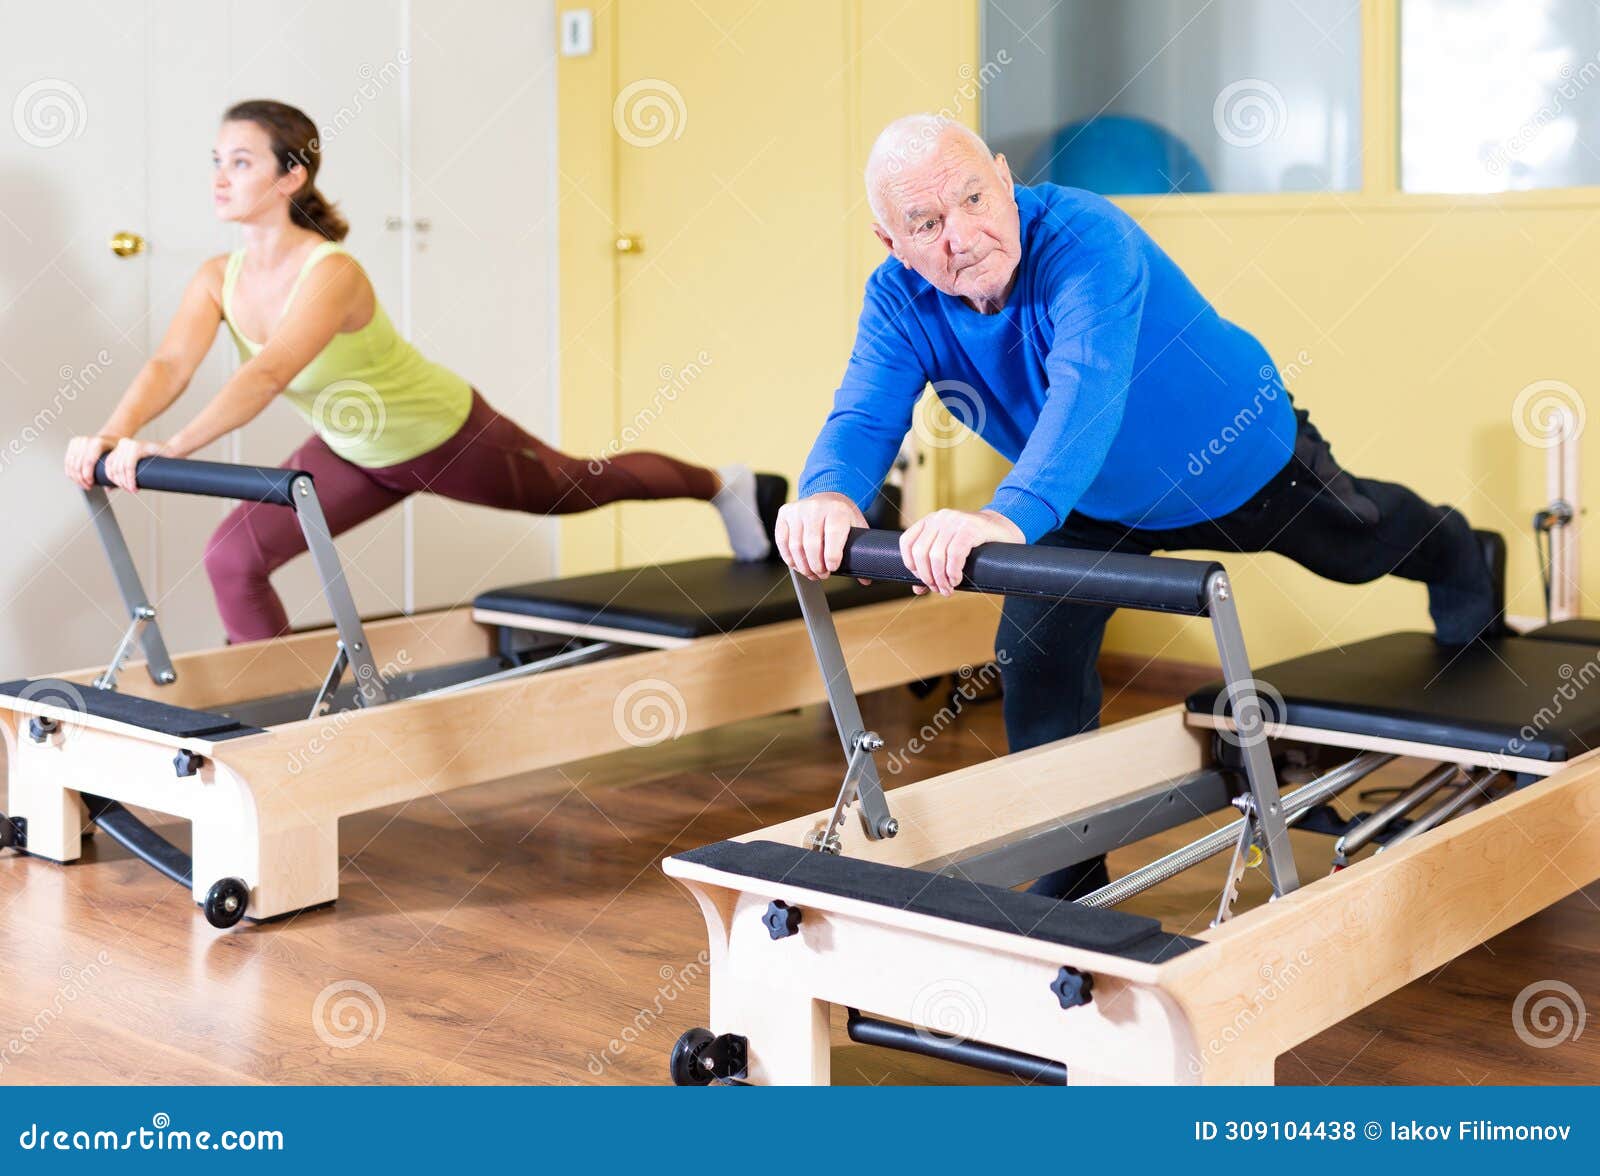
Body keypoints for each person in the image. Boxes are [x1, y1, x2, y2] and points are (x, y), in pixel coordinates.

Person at [777, 114, 1500, 899]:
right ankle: (1072, 876)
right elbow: (865, 412)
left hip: (1236, 458)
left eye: (974, 199)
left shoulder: (1087, 239)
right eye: (927, 223)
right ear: (893, 242)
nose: (963, 236)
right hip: (1083, 495)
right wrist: (827, 494)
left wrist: (1000, 519)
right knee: (1038, 658)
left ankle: (1461, 552)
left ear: (1005, 179)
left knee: (1360, 546)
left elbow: (1088, 392)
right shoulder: (898, 298)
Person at [65, 99, 776, 644]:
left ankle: (724, 485)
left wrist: (169, 449)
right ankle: (274, 732)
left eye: (241, 162)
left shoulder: (331, 271)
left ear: (293, 175)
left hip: (443, 435)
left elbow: (271, 372)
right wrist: (112, 435)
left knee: (574, 488)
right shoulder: (218, 275)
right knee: (232, 561)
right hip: (353, 450)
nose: (220, 177)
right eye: (216, 160)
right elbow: (169, 362)